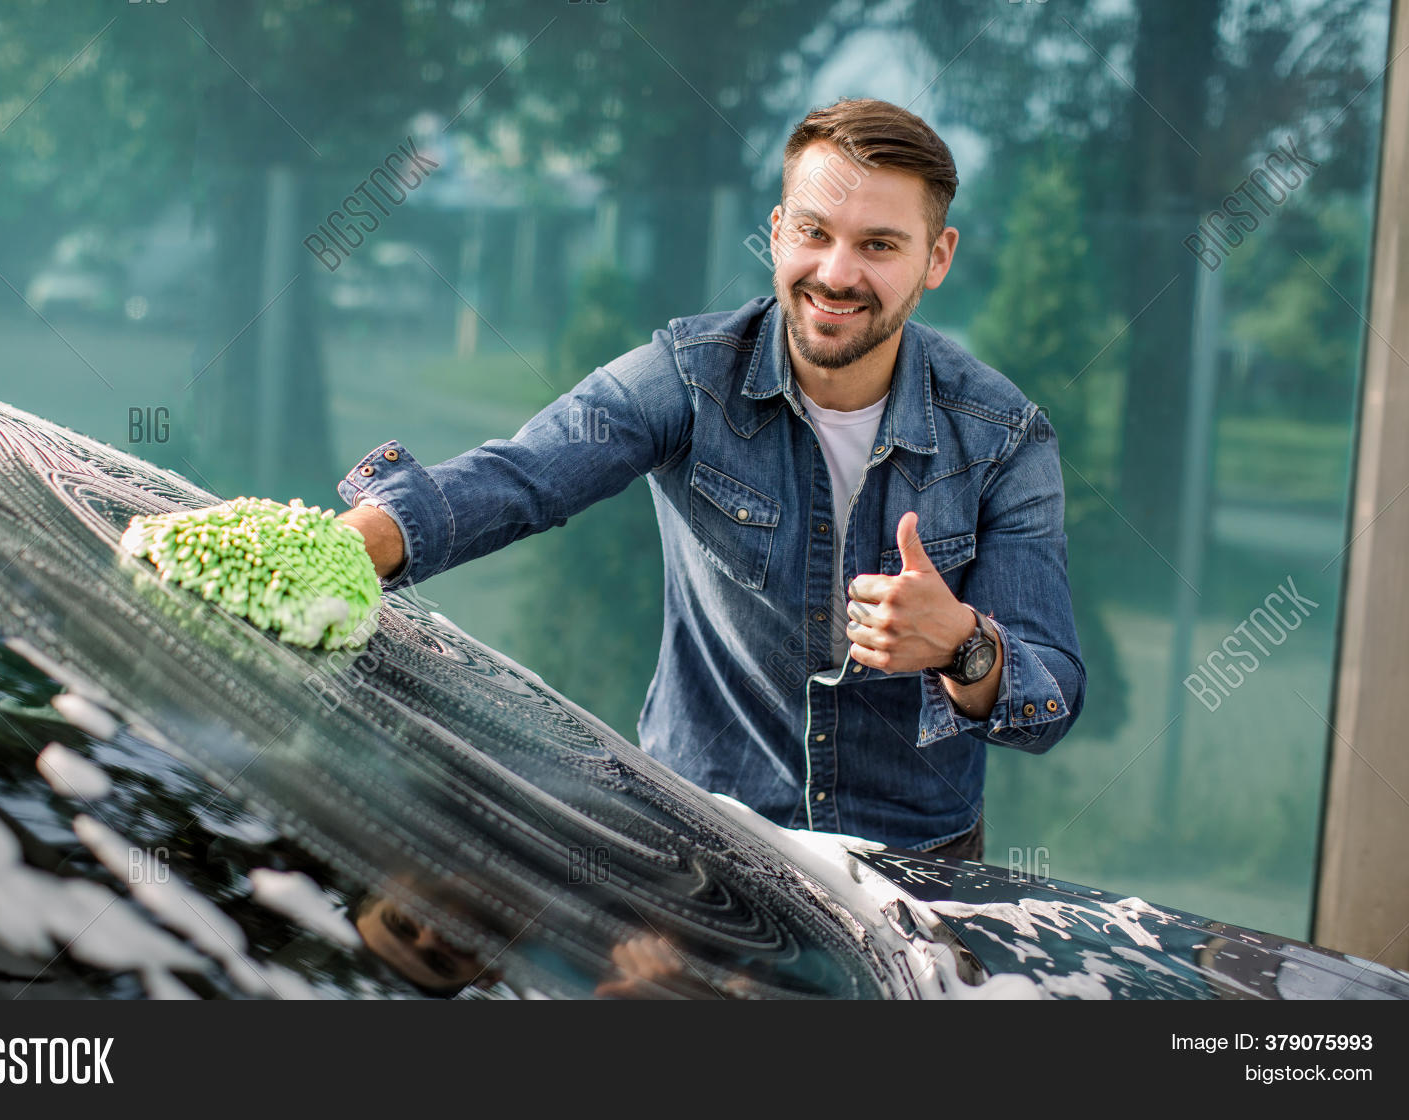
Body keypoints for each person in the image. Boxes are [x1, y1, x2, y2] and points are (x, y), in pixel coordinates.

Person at [335, 97, 1085, 857]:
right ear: (777, 231)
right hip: (699, 837)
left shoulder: (1006, 438)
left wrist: (963, 644)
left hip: (916, 865)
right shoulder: (690, 377)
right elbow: (524, 475)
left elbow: (1052, 696)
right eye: (813, 232)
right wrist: (341, 550)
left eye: (879, 245)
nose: (836, 273)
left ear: (937, 258)